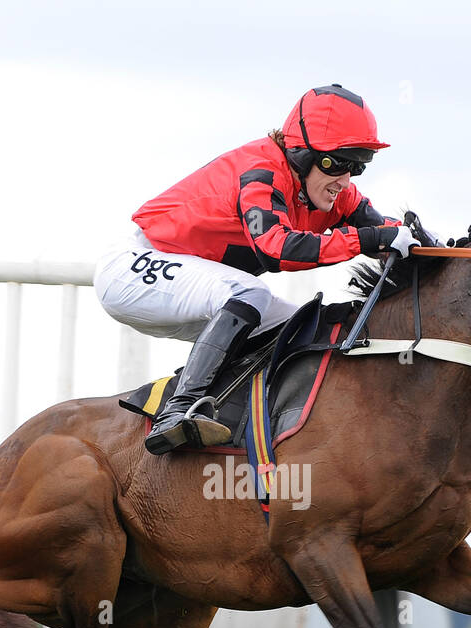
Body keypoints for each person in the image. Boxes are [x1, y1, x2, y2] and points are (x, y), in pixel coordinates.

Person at [93, 84, 418, 454]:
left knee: (303, 325)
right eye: (336, 163)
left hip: (188, 282)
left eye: (357, 165)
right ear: (300, 152)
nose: (345, 179)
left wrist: (421, 242)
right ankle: (178, 411)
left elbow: (382, 230)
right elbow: (276, 250)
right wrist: (368, 239)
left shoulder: (332, 190)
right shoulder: (261, 171)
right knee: (250, 293)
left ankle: (234, 415)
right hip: (132, 267)